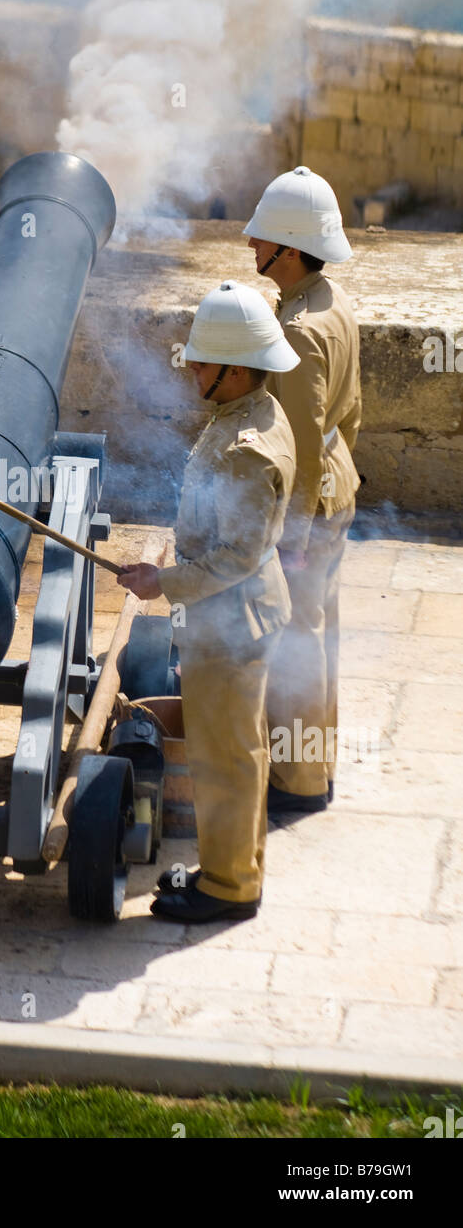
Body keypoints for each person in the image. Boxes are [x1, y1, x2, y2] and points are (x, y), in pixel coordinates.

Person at [118, 281, 298, 924]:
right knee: (236, 748)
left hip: (233, 620)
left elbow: (235, 558)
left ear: (237, 367)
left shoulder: (246, 451)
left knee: (225, 754)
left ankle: (228, 888)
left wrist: (162, 583)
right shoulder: (246, 418)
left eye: (202, 359)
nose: (190, 367)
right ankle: (233, 868)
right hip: (234, 615)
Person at [244, 166, 361, 813]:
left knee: (297, 639)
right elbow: (353, 415)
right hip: (337, 491)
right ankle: (319, 765)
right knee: (322, 630)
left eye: (261, 239)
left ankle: (297, 783)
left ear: (288, 250)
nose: (251, 246)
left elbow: (304, 441)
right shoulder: (331, 303)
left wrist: (291, 537)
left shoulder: (297, 331)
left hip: (308, 508)